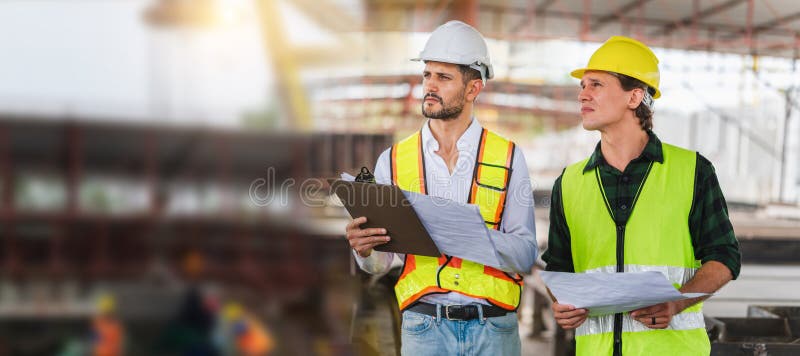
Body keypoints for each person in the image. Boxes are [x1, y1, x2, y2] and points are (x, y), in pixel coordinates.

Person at [344, 20, 537, 355]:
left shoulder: (508, 157)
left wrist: (466, 236)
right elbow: (383, 262)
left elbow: (524, 255)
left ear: (473, 88)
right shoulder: (392, 161)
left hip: (493, 329)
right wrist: (364, 251)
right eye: (427, 75)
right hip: (424, 329)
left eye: (443, 77)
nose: (430, 85)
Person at [542, 36, 741, 356]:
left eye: (596, 85)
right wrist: (560, 304)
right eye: (582, 86)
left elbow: (725, 257)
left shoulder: (692, 171)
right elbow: (559, 266)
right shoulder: (568, 182)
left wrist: (677, 302)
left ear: (634, 96)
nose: (583, 95)